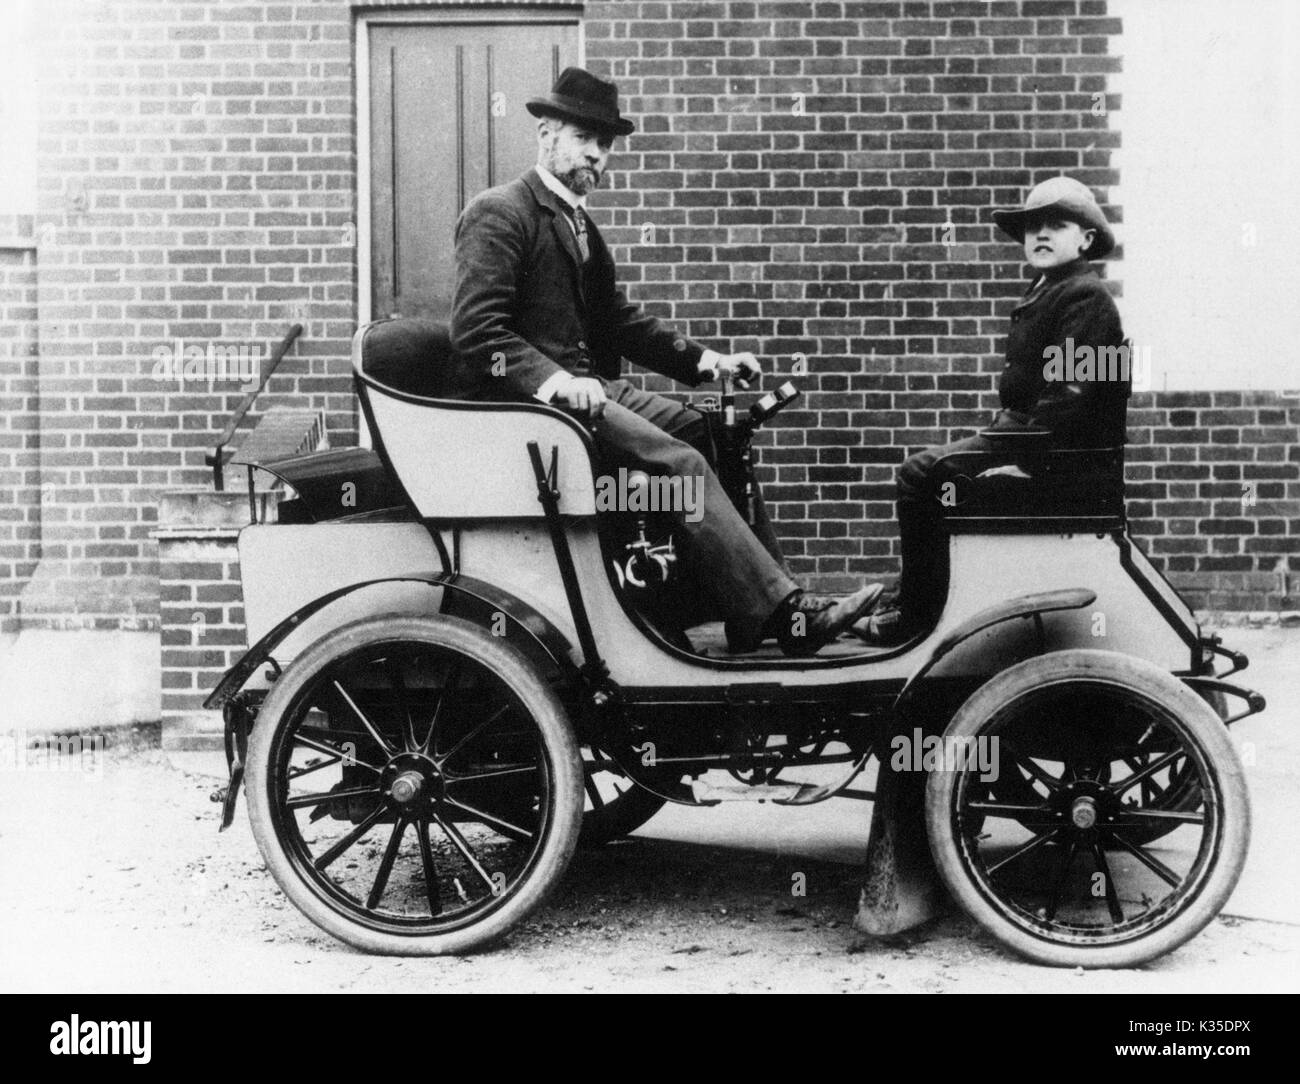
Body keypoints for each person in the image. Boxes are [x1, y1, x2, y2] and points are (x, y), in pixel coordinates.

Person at [449, 67, 881, 656]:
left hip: (590, 393)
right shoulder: (502, 211)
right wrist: (554, 383)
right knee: (678, 461)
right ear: (546, 132)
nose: (597, 155)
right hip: (531, 410)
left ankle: (754, 612)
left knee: (715, 431)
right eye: (584, 138)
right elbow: (477, 335)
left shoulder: (579, 225)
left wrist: (710, 362)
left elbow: (618, 323)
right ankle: (784, 614)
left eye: (606, 145)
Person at [855, 176, 1127, 645]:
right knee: (936, 476)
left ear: (1085, 238)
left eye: (1056, 225)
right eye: (1032, 227)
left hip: (1067, 474)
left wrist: (1020, 462)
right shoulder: (1049, 289)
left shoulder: (1085, 298)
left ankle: (915, 616)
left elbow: (1070, 401)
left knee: (920, 474)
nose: (1040, 235)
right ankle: (916, 597)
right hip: (1048, 454)